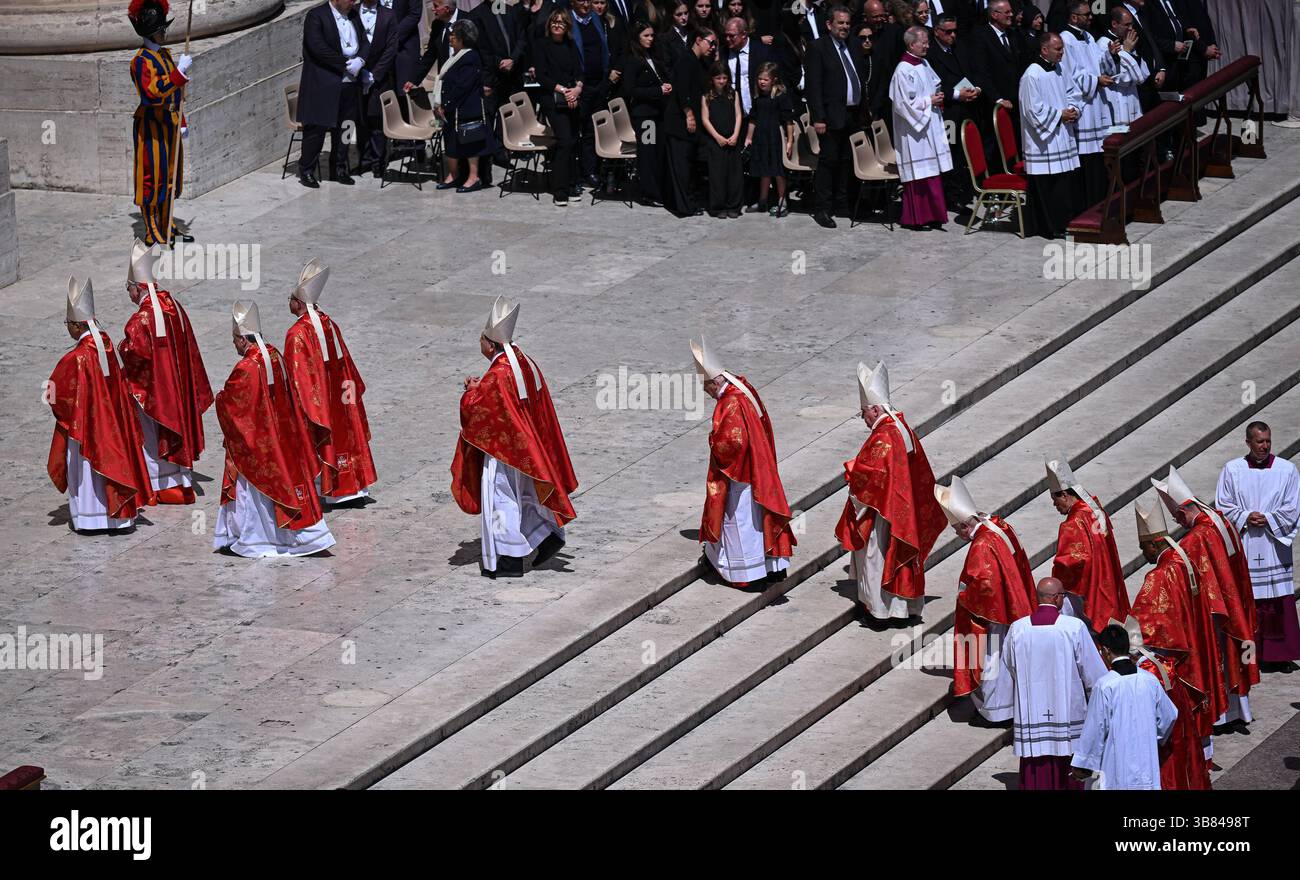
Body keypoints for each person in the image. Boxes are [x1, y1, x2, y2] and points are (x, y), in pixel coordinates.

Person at [451, 298, 577, 578]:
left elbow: (480, 409)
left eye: (482, 339)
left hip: (503, 449)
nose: (480, 343)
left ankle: (508, 557)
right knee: (527, 493)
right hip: (527, 445)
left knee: (501, 497)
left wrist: (471, 392)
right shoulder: (522, 360)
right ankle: (546, 535)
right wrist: (480, 387)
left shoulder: (498, 373)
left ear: (491, 345)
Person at [214, 302, 336, 558]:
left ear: (243, 339)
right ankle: (300, 538)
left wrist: (221, 399)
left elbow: (236, 404)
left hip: (259, 442)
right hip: (282, 437)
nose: (233, 345)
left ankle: (255, 541)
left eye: (235, 340)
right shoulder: (273, 354)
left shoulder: (246, 368)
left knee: (255, 493)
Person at [835, 362, 947, 621]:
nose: (863, 419)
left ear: (875, 409)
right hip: (900, 508)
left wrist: (853, 471)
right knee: (899, 560)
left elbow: (875, 477)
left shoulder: (885, 436)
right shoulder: (901, 426)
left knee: (875, 558)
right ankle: (902, 609)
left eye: (863, 413)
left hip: (882, 513)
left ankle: (879, 611)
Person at [1152, 465, 1259, 729]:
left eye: (1178, 519)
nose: (1179, 524)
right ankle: (1239, 710)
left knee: (1218, 657)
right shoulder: (1220, 519)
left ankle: (1222, 715)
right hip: (1237, 600)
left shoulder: (1198, 536)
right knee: (1236, 656)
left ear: (1182, 510)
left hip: (1219, 611)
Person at [48, 277, 155, 532]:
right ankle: (117, 518)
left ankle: (89, 518)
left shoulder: (78, 357)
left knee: (87, 471)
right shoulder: (105, 344)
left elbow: (56, 391)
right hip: (113, 426)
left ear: (76, 325)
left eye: (68, 324)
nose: (68, 329)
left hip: (87, 427)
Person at [691, 336, 795, 587]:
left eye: (708, 389)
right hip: (759, 467)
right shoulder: (743, 387)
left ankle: (747, 575)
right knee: (757, 519)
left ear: (716, 382)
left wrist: (714, 441)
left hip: (742, 475)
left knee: (740, 522)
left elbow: (732, 444)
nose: (709, 395)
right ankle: (772, 566)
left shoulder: (731, 402)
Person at [1130, 499, 1217, 789]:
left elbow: (1147, 627)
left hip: (1174, 665)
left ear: (1154, 545)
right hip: (1196, 649)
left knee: (1175, 733)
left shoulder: (1159, 575)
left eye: (1144, 549)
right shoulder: (1184, 561)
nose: (1143, 555)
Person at [118, 239, 212, 505]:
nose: (129, 295)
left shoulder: (141, 319)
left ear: (137, 288)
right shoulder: (172, 305)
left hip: (154, 392)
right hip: (176, 387)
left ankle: (156, 485)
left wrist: (121, 348)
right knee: (172, 426)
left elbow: (135, 354)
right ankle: (179, 483)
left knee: (147, 432)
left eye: (128, 289)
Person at [936, 474, 1035, 722]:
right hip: (1015, 600)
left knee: (993, 659)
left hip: (996, 612)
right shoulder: (998, 524)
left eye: (956, 529)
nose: (957, 535)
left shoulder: (981, 545)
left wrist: (964, 596)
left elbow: (985, 586)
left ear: (964, 526)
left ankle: (995, 711)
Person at [283, 259, 378, 507]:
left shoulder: (297, 334)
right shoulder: (328, 324)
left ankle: (324, 487)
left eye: (291, 298)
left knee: (317, 435)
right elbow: (345, 364)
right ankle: (351, 488)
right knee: (343, 433)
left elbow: (297, 378)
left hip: (320, 400)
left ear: (300, 303)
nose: (288, 302)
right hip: (339, 396)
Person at [998, 576, 1108, 790]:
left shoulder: (1018, 628)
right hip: (1067, 709)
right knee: (1067, 765)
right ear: (1058, 598)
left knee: (1035, 763)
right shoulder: (1073, 627)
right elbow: (1093, 672)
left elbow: (1010, 665)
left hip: (1031, 710)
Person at [1216, 422, 1300, 670]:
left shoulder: (1287, 470)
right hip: (1246, 544)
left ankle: (1278, 656)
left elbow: (1293, 507)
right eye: (1259, 441)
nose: (1264, 446)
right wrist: (1244, 516)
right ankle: (1247, 657)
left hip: (1273, 546)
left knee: (1275, 604)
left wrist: (1270, 519)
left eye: (1268, 441)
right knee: (1248, 601)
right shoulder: (1233, 470)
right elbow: (1223, 505)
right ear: (1248, 442)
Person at [1070, 622, 1178, 789]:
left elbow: (1095, 729)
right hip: (1146, 761)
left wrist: (1082, 766)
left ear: (1105, 651)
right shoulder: (1149, 680)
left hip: (1116, 764)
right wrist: (1151, 737)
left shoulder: (1105, 685)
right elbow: (1170, 715)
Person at [128, 0, 194, 245]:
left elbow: (177, 95)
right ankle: (152, 229)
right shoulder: (141, 62)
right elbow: (152, 94)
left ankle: (167, 225)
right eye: (161, 28)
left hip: (169, 123)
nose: (164, 32)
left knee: (170, 177)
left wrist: (182, 120)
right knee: (151, 179)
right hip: (151, 128)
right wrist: (178, 74)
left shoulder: (164, 55)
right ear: (150, 31)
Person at [1045, 452, 1129, 634]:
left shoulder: (1072, 523)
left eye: (1055, 500)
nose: (1055, 506)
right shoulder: (1095, 511)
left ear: (1065, 495)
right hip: (1106, 580)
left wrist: (1054, 581)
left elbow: (1070, 562)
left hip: (1088, 590)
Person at [804, 5, 871, 228]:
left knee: (847, 161)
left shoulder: (851, 44)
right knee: (829, 162)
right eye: (840, 23)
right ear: (829, 24)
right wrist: (818, 117)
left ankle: (843, 203)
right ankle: (822, 208)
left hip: (852, 114)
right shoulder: (818, 48)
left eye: (847, 23)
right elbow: (813, 86)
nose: (844, 27)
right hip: (830, 116)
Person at [297, 0, 368, 188]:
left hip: (350, 84)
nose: (354, 3)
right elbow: (317, 48)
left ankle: (339, 168)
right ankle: (307, 170)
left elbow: (365, 41)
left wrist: (361, 59)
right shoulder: (316, 16)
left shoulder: (353, 14)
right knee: (316, 130)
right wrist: (345, 64)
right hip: (324, 84)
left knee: (346, 127)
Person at [1020, 32, 1082, 238]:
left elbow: (1073, 91)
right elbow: (1032, 110)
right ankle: (1049, 227)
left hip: (1061, 135)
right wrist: (1059, 115)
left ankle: (1064, 221)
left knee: (1063, 184)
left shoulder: (1060, 68)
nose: (1062, 53)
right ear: (1044, 49)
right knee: (1048, 187)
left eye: (1062, 48)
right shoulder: (1032, 75)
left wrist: (1073, 109)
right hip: (1043, 142)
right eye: (1058, 49)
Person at [890, 26, 952, 230]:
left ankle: (934, 215)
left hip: (929, 126)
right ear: (911, 44)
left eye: (927, 41)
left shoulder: (923, 63)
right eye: (923, 42)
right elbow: (902, 105)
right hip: (913, 131)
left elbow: (934, 84)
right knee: (919, 174)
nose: (927, 45)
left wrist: (938, 96)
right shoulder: (903, 70)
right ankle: (916, 218)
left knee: (931, 172)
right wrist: (929, 101)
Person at [434, 20, 497, 192]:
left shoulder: (470, 56)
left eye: (454, 34)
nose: (450, 36)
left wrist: (445, 104)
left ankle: (473, 177)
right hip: (451, 109)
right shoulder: (455, 55)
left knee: (470, 144)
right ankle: (453, 175)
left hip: (465, 108)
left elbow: (463, 86)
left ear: (462, 38)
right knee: (451, 143)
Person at [1061, 2, 1113, 208]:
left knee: (1098, 156)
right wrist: (1095, 81)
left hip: (1096, 103)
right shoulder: (1066, 40)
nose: (1091, 17)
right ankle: (1088, 203)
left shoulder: (1089, 36)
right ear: (1074, 17)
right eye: (1087, 14)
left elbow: (1097, 62)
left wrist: (1111, 54)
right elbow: (1070, 75)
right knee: (1087, 159)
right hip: (1083, 106)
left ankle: (1101, 198)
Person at [533, 10, 585, 206]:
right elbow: (542, 76)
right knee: (564, 142)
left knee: (572, 142)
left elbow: (579, 72)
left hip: (571, 98)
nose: (557, 25)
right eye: (554, 21)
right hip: (553, 100)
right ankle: (560, 190)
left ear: (567, 27)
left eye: (562, 23)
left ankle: (572, 185)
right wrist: (564, 90)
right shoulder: (542, 45)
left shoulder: (571, 45)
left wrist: (577, 89)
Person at [928, 14, 980, 208]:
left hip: (966, 109)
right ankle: (951, 194)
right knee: (951, 152)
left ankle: (963, 190)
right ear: (937, 31)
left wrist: (976, 89)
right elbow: (934, 84)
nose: (952, 35)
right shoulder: (931, 53)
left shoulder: (959, 48)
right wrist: (958, 94)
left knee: (964, 152)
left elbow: (972, 71)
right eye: (948, 32)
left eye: (955, 31)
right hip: (947, 111)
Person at [663, 26, 716, 217]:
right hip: (680, 122)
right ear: (699, 40)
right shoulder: (686, 60)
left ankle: (687, 202)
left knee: (688, 165)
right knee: (681, 167)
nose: (713, 47)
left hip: (690, 124)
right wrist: (689, 114)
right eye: (711, 42)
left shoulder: (700, 63)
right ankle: (683, 206)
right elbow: (681, 90)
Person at [966, 0, 1027, 161]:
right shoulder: (980, 36)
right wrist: (998, 99)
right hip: (993, 104)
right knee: (995, 148)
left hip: (1015, 101)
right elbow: (982, 72)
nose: (1011, 15)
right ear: (994, 15)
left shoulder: (1013, 34)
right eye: (1007, 12)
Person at [624, 21, 670, 206]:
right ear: (637, 38)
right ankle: (649, 193)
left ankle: (657, 189)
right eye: (646, 35)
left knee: (657, 151)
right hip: (644, 116)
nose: (651, 39)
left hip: (657, 112)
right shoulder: (633, 60)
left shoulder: (651, 56)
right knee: (648, 153)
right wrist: (658, 91)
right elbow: (630, 90)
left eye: (652, 35)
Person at [569, 0, 613, 190]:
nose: (586, 5)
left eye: (588, 0)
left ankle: (590, 171)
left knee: (590, 130)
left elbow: (602, 48)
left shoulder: (595, 18)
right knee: (574, 130)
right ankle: (574, 174)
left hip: (598, 84)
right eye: (581, 1)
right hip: (579, 85)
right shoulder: (569, 21)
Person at [353, 0, 398, 178]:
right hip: (356, 75)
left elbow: (391, 48)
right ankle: (363, 161)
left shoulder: (389, 15)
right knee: (360, 120)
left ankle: (378, 162)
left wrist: (374, 74)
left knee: (377, 121)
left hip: (379, 78)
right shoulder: (353, 12)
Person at [743, 61, 795, 215]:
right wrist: (748, 138)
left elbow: (789, 121)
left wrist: (790, 141)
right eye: (760, 79)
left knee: (778, 171)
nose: (762, 82)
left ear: (774, 80)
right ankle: (762, 201)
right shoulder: (758, 98)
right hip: (761, 138)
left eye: (765, 79)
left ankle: (782, 201)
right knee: (764, 170)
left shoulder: (780, 97)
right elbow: (753, 119)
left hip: (776, 138)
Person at [702, 62, 744, 217]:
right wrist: (717, 137)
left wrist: (735, 134)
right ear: (712, 79)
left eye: (724, 78)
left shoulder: (733, 93)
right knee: (717, 175)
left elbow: (739, 115)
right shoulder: (707, 96)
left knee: (734, 175)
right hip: (716, 141)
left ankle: (733, 206)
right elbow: (705, 119)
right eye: (718, 78)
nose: (721, 81)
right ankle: (718, 207)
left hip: (732, 139)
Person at [1097, 7, 1148, 130]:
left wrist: (1127, 50)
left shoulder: (1127, 42)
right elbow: (1120, 78)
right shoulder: (1103, 44)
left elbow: (1143, 74)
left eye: (1132, 24)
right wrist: (1127, 52)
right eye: (1127, 25)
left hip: (1132, 99)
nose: (1131, 28)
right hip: (1116, 101)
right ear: (1114, 24)